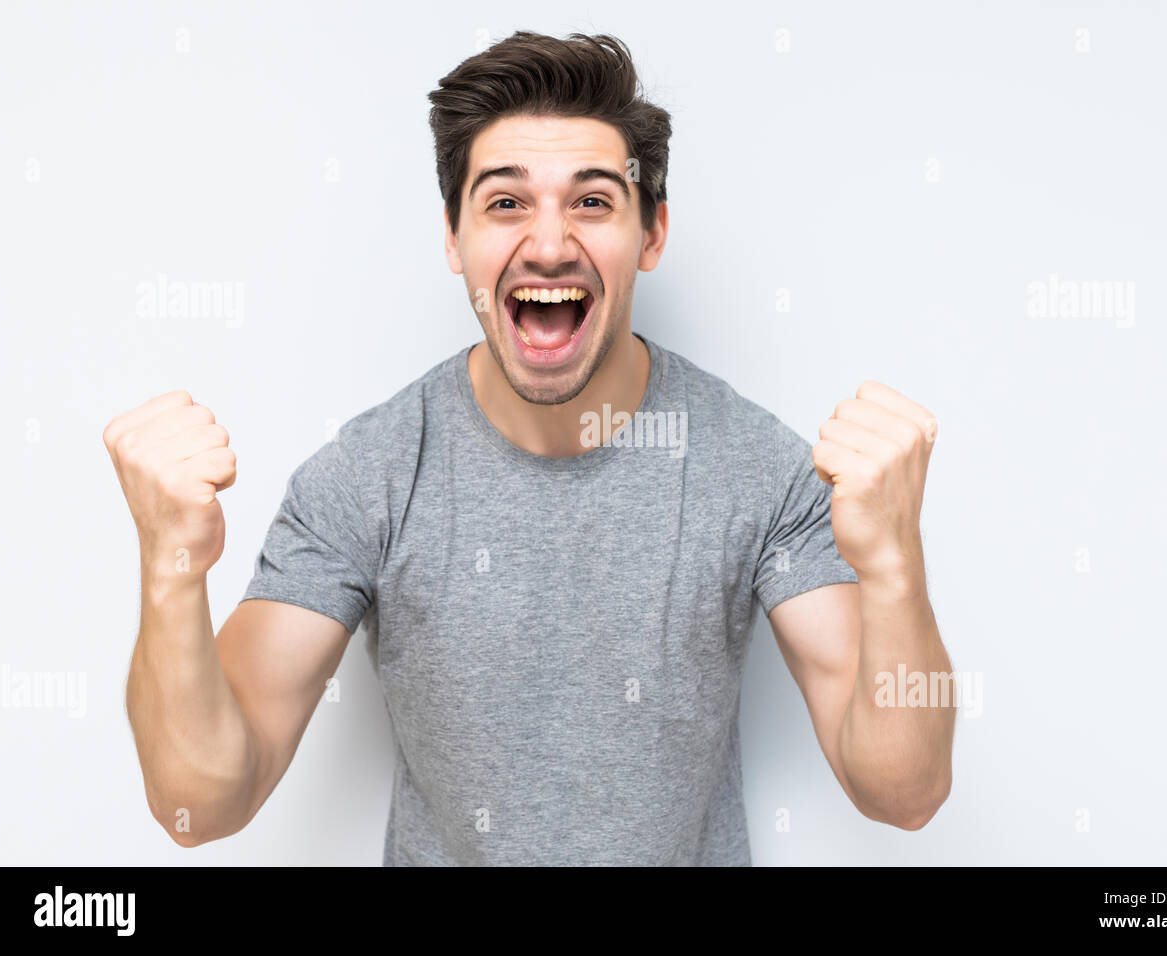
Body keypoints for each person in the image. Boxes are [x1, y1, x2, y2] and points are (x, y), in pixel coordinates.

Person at [102, 31, 954, 866]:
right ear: (453, 237)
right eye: (506, 202)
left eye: (592, 200)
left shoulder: (756, 468)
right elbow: (202, 804)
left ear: (651, 234)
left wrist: (893, 568)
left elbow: (903, 793)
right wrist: (169, 567)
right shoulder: (366, 478)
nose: (548, 245)